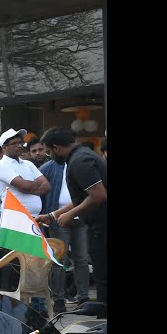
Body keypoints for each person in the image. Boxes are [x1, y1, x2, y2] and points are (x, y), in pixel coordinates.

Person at [38, 128, 106, 307]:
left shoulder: (80, 161)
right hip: (97, 225)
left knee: (102, 278)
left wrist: (71, 214)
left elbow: (98, 195)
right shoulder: (80, 156)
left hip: (102, 225)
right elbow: (83, 198)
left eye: (48, 151)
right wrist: (53, 215)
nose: (49, 156)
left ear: (56, 148)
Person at [0, 128, 53, 313]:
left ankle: (38, 307)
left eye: (21, 142)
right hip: (15, 221)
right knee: (19, 265)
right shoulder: (2, 166)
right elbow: (26, 186)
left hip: (34, 220)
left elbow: (46, 185)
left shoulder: (27, 164)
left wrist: (27, 187)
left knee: (36, 264)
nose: (20, 146)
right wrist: (30, 186)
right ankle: (21, 309)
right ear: (4, 147)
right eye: (15, 143)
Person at [37, 139, 88, 312]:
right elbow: (40, 193)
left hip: (81, 217)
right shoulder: (49, 167)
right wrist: (48, 215)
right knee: (59, 260)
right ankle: (58, 299)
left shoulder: (80, 163)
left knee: (81, 259)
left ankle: (84, 298)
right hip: (57, 219)